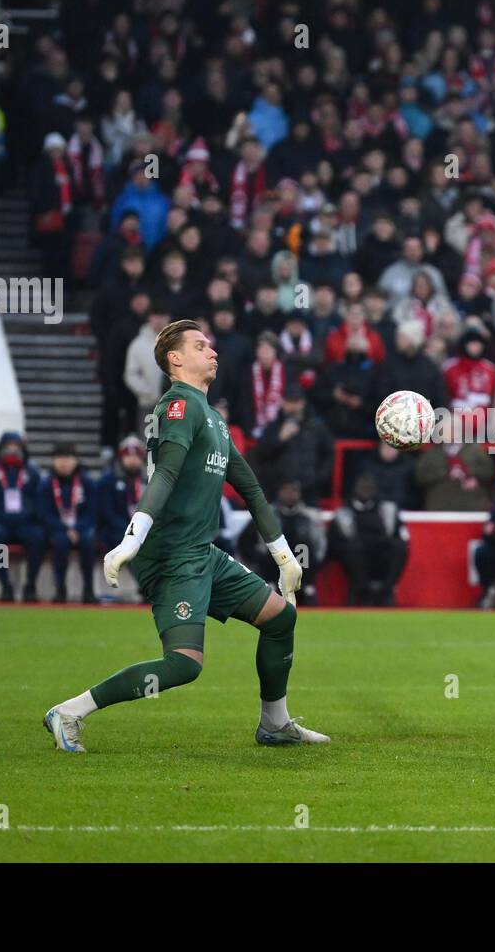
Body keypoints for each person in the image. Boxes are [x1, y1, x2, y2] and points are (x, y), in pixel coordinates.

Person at [43, 319, 329, 752]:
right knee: (183, 665)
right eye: (200, 346)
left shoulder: (211, 416)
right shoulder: (177, 407)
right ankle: (70, 711)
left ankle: (274, 722)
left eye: (212, 345)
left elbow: (249, 487)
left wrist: (284, 556)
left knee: (281, 620)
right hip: (172, 554)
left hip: (202, 552)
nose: (213, 352)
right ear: (175, 359)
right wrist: (133, 539)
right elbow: (167, 474)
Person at [0, 431, 46, 602]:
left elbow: (40, 501)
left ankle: (30, 583)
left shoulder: (33, 473)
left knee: (38, 537)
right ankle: (5, 583)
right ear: (0, 448)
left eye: (16, 447)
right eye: (9, 447)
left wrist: (27, 515)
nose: (13, 451)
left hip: (25, 523)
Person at [329, 473, 410, 606]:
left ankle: (387, 590)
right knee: (351, 549)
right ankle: (361, 590)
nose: (366, 490)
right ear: (354, 489)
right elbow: (334, 544)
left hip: (381, 555)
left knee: (399, 547)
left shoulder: (387, 510)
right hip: (355, 558)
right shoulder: (343, 512)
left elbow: (401, 536)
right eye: (362, 487)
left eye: (369, 487)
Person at [38, 443, 99, 603]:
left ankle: (89, 589)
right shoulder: (46, 484)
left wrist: (77, 529)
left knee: (88, 541)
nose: (63, 462)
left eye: (68, 458)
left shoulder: (87, 482)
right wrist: (65, 529)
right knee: (60, 542)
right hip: (57, 528)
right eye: (59, 458)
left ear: (75, 460)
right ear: (53, 461)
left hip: (82, 527)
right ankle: (60, 588)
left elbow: (92, 510)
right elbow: (44, 513)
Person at [96, 434, 146, 553]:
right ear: (121, 458)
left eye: (136, 456)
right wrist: (129, 530)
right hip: (116, 530)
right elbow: (107, 512)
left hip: (143, 529)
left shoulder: (148, 480)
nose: (132, 460)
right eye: (128, 456)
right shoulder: (108, 480)